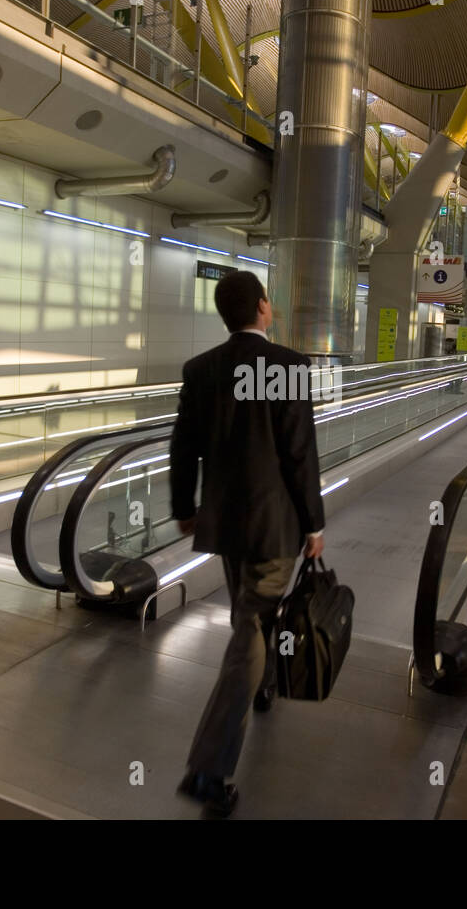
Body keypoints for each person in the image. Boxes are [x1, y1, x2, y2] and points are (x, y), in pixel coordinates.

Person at [170, 271, 326, 817]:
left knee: (250, 614)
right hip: (274, 526)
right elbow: (298, 453)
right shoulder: (286, 367)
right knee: (250, 629)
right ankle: (207, 769)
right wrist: (314, 523)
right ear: (262, 308)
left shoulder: (202, 369)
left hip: (226, 524)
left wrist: (185, 508)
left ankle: (263, 687)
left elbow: (182, 446)